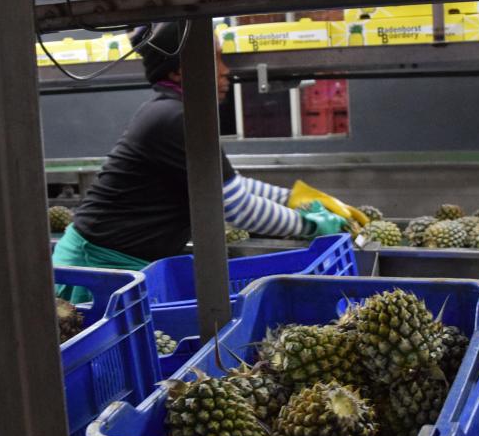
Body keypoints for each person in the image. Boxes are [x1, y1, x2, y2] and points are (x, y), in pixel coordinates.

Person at [52, 21, 364, 296]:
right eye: (216, 58)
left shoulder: (175, 112)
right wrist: (309, 225)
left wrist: (296, 198)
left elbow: (231, 187)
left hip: (121, 266)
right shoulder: (174, 118)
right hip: (95, 271)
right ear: (178, 69)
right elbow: (238, 207)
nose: (226, 70)